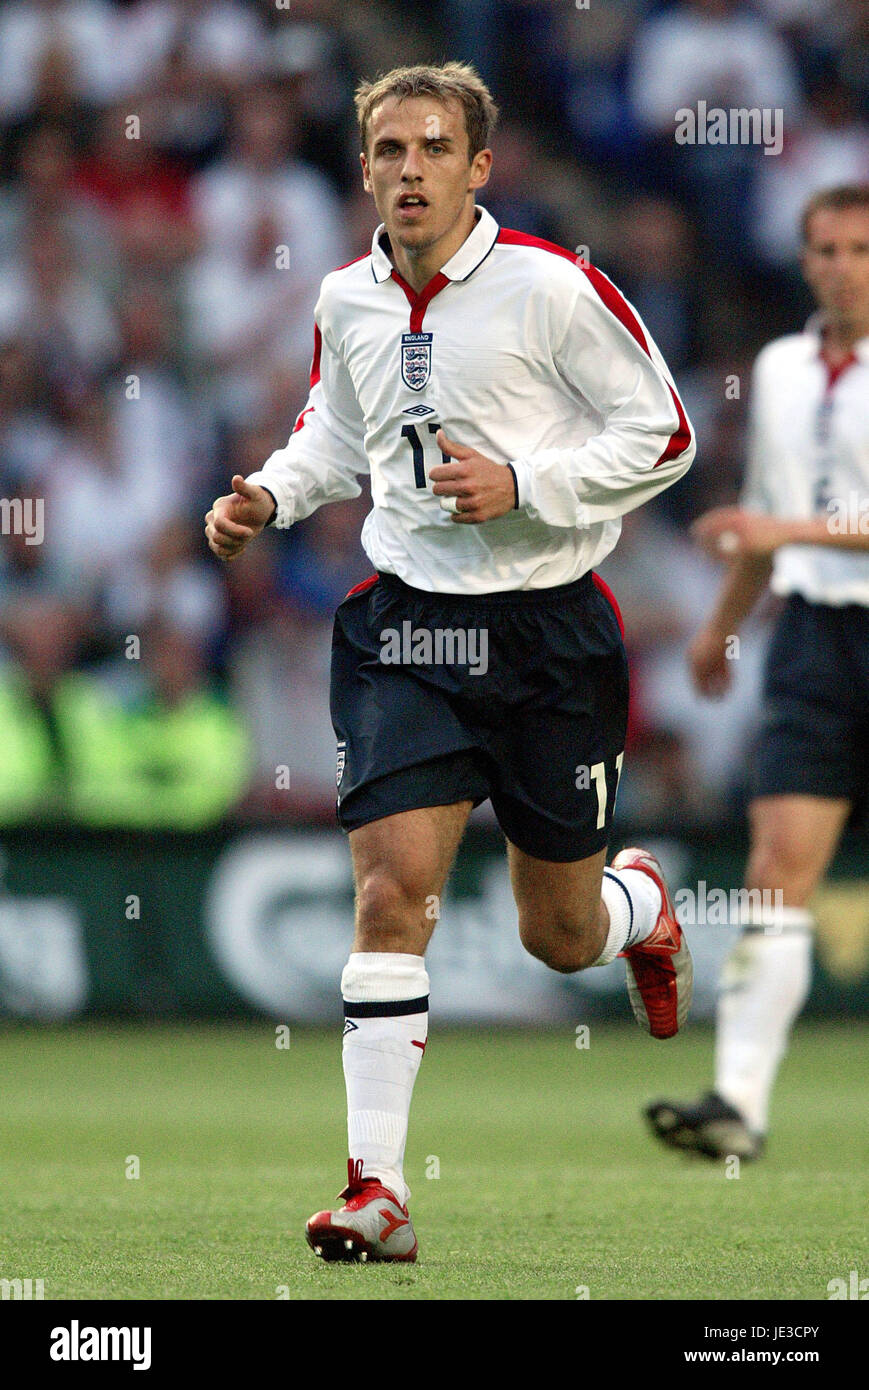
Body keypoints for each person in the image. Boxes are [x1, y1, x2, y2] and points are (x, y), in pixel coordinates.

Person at [205, 63, 696, 1263]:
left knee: (559, 937)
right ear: (364, 166)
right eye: (387, 150)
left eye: (432, 149)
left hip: (548, 634)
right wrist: (272, 489)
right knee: (389, 895)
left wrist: (526, 483)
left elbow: (666, 432)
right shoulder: (345, 299)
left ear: (479, 166)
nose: (408, 170)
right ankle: (376, 1189)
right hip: (407, 632)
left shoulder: (553, 288)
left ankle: (638, 907)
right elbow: (337, 433)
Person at [646, 184, 869, 1162]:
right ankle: (736, 1101)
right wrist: (717, 630)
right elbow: (762, 521)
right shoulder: (778, 367)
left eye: (858, 249)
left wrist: (774, 530)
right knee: (776, 870)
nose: (838, 266)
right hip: (815, 638)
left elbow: (770, 522)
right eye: (822, 247)